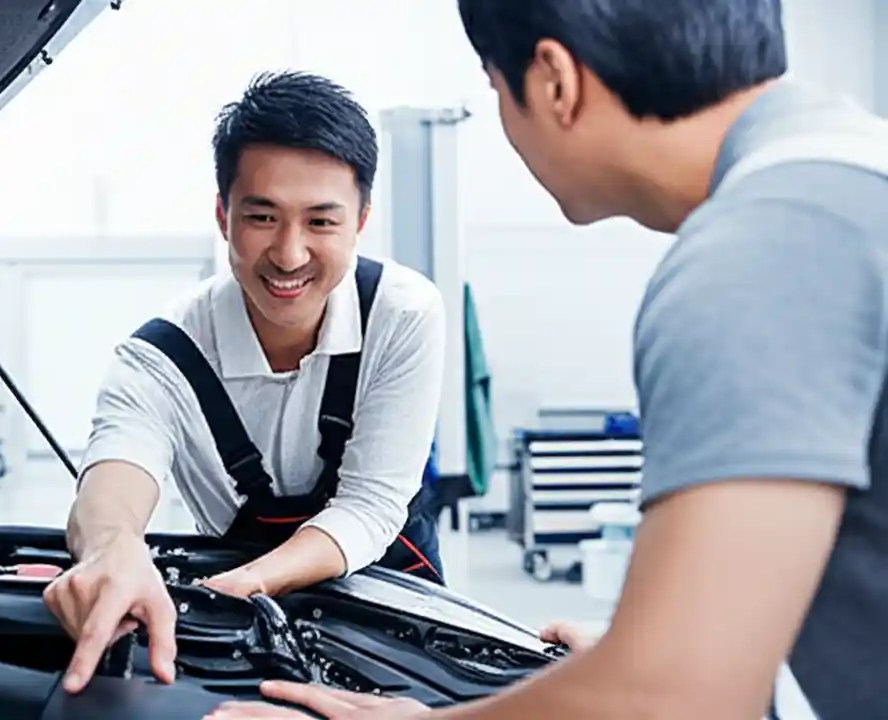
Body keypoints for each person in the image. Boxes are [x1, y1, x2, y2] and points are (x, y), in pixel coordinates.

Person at [207, 1, 888, 719]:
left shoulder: (759, 255)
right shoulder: (851, 181)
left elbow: (673, 699)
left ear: (555, 82)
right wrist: (648, 649)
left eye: (498, 90)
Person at [43, 70, 451, 696]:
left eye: (321, 222)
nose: (289, 255)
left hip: (389, 604)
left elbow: (369, 506)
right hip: (238, 629)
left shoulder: (402, 314)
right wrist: (112, 549)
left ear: (361, 220)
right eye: (262, 217)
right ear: (222, 215)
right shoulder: (159, 357)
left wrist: (228, 588)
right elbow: (114, 483)